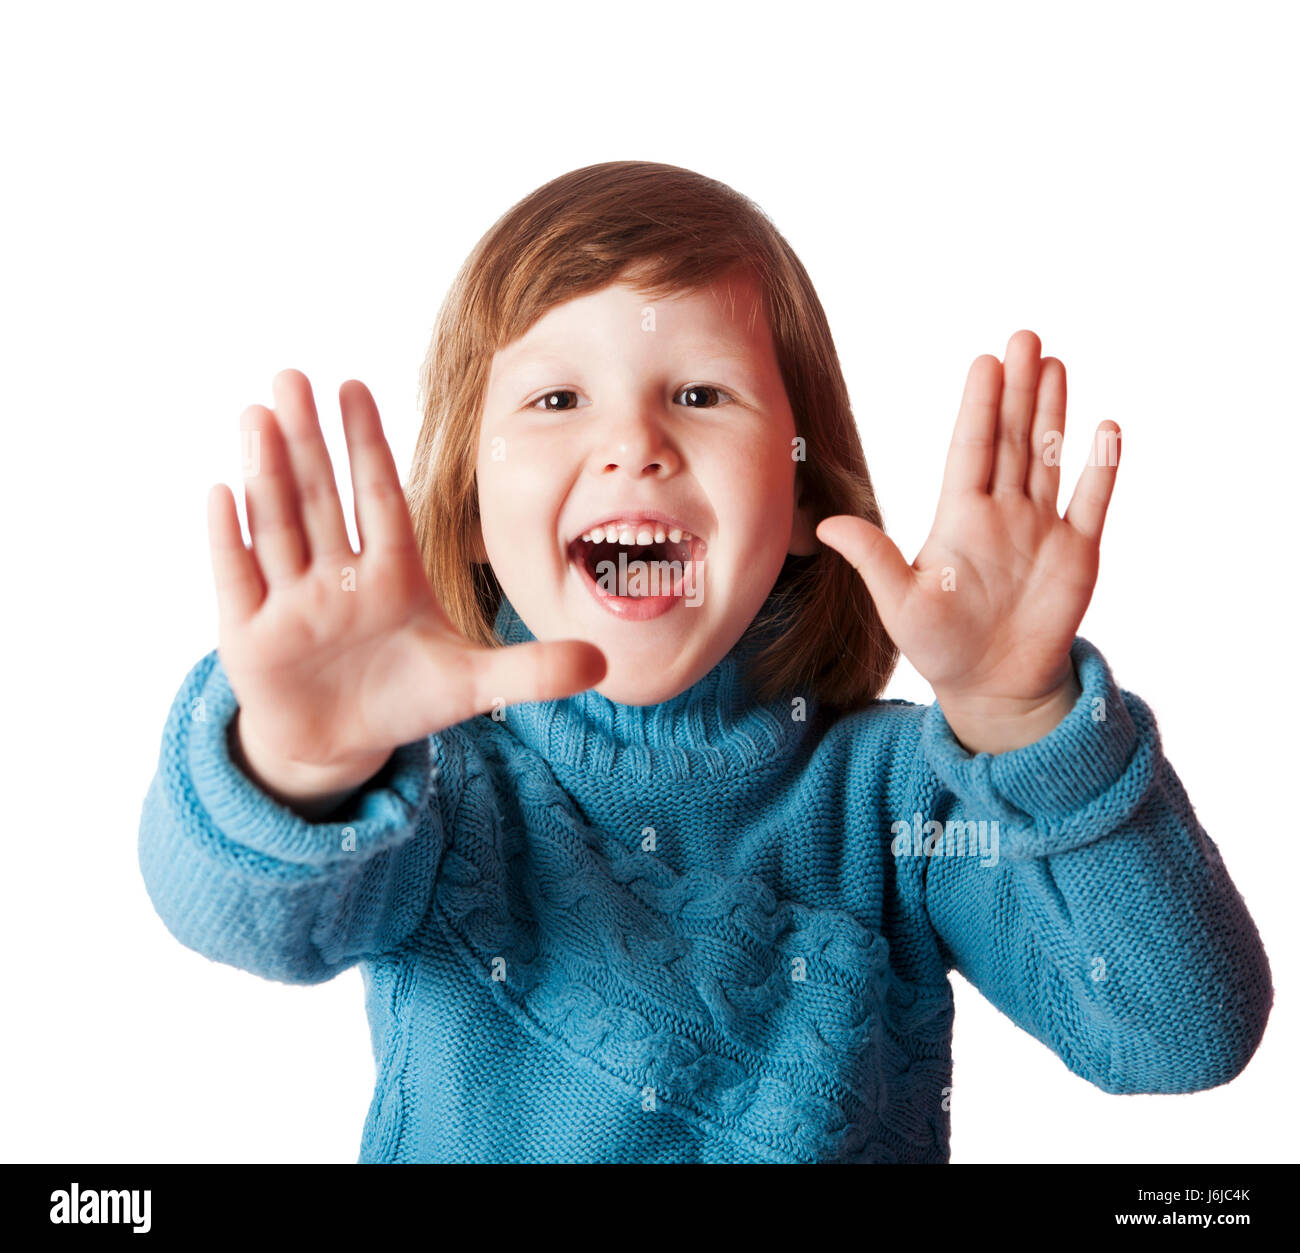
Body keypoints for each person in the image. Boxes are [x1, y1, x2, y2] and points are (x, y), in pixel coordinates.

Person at [138, 160, 1272, 1163]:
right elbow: (242, 916)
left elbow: (1178, 1033)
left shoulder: (905, 807)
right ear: (475, 515)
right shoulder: (435, 783)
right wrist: (297, 761)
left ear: (800, 500)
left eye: (698, 393)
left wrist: (1023, 716)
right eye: (556, 398)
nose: (634, 441)